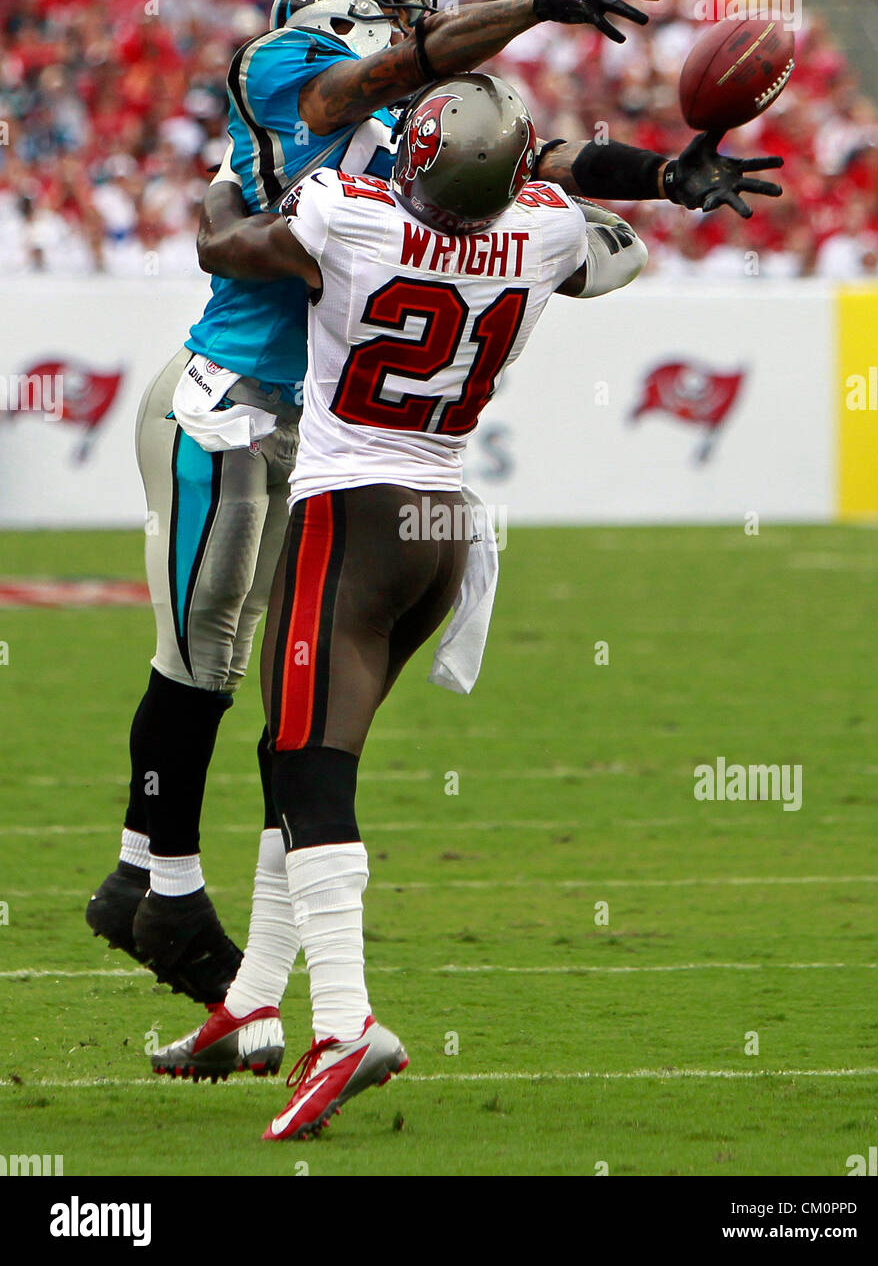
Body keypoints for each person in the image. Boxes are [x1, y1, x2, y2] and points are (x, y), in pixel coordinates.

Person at [84, 0, 673, 1005]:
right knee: (207, 643)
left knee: (282, 676)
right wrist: (541, 6)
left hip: (323, 431)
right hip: (227, 394)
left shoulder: (405, 125)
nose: (418, 28)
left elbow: (546, 155)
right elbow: (377, 84)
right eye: (402, 12)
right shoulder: (283, 67)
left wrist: (667, 176)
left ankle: (210, 934)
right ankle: (158, 878)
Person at [149, 72, 705, 1143]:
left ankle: (346, 1022)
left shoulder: (350, 219)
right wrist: (663, 178)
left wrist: (226, 178)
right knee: (297, 756)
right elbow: (594, 227)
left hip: (350, 516)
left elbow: (227, 245)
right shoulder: (542, 234)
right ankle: (254, 1000)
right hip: (443, 525)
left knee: (310, 767)